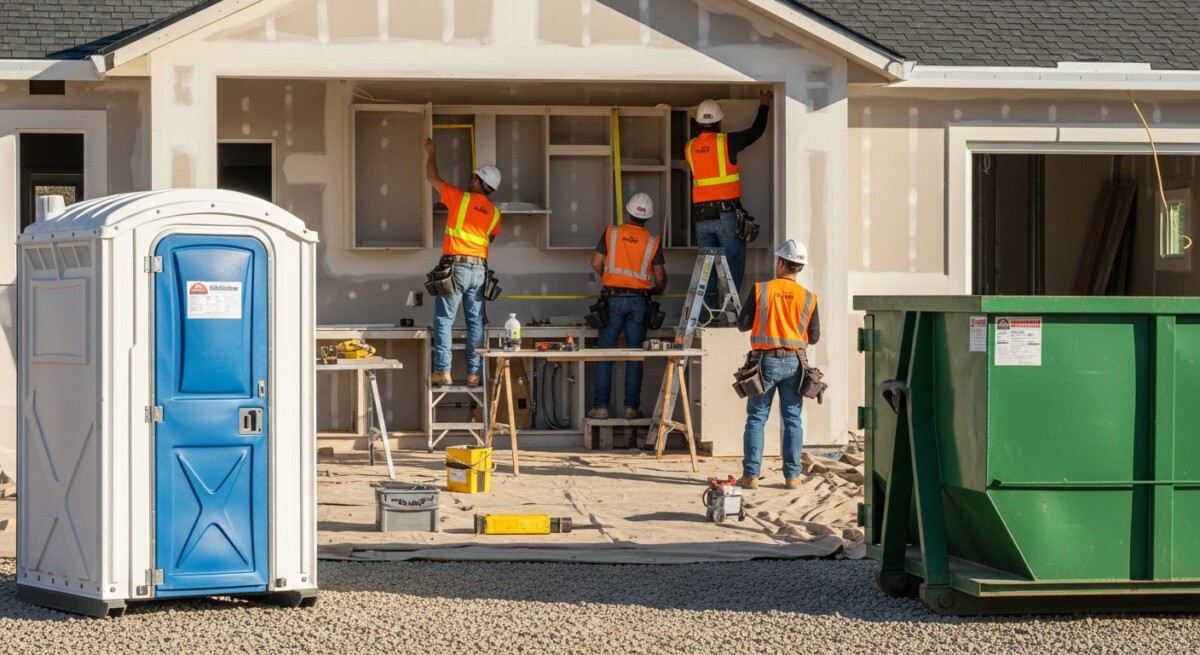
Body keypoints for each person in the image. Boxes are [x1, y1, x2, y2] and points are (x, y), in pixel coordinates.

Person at [735, 239, 820, 490]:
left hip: (765, 363)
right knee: (793, 419)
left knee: (756, 418)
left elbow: (743, 325)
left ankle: (751, 475)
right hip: (796, 363)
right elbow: (814, 337)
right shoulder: (808, 297)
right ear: (799, 268)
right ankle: (792, 477)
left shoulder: (761, 289)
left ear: (781, 262)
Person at [423, 137, 502, 387]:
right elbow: (489, 237)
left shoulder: (461, 198)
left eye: (474, 177)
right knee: (475, 322)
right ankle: (473, 374)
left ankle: (443, 371)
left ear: (478, 182)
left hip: (455, 267)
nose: (471, 180)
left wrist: (431, 153)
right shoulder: (495, 213)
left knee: (445, 319)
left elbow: (433, 178)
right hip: (479, 270)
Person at [685, 90, 773, 310]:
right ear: (719, 122)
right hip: (726, 215)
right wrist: (764, 104)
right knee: (731, 265)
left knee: (708, 269)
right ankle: (728, 313)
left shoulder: (689, 147)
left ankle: (707, 313)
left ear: (699, 124)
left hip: (701, 218)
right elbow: (757, 131)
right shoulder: (728, 142)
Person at [588, 192, 668, 420]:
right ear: (648, 217)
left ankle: (601, 408)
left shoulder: (612, 233)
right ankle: (631, 408)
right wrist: (656, 290)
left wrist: (611, 278)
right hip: (639, 302)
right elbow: (660, 278)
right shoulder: (653, 241)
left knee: (606, 353)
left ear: (628, 211)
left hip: (612, 299)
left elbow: (595, 262)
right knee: (635, 354)